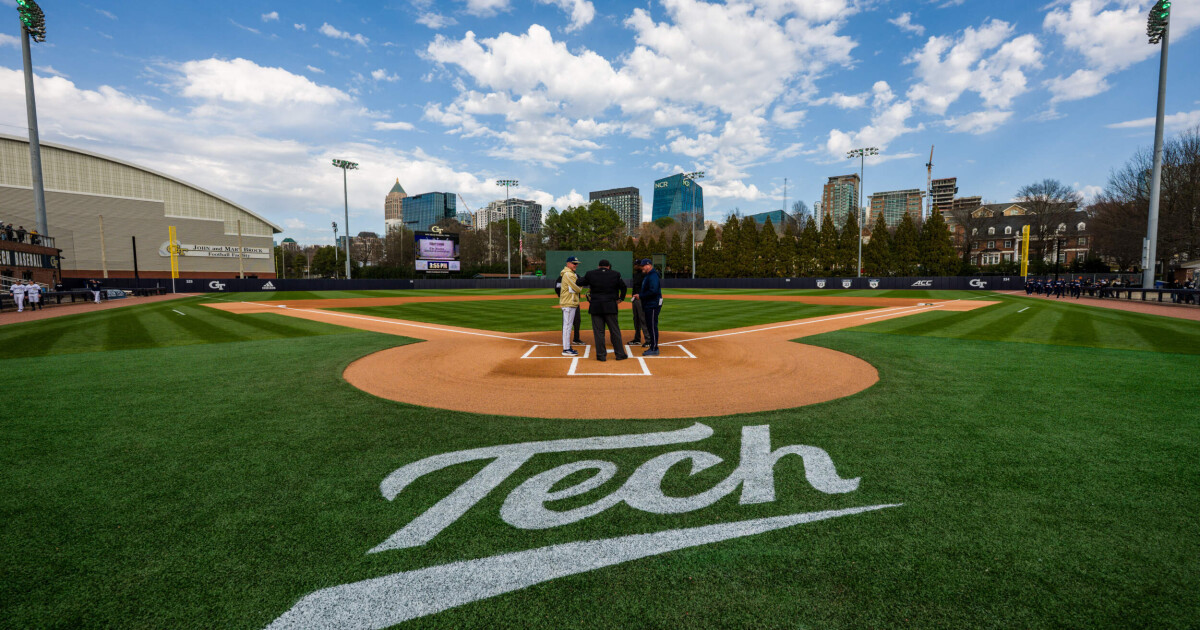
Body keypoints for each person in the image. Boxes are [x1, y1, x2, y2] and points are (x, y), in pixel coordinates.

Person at [576, 259, 627, 362]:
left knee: (599, 332)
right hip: (611, 306)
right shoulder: (615, 274)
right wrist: (621, 298)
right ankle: (620, 354)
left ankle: (601, 356)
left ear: (599, 266)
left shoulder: (590, 274)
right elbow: (624, 287)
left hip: (596, 307)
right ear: (608, 266)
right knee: (615, 331)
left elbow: (579, 282)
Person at [635, 258, 663, 356]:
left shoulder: (653, 275)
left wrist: (640, 295)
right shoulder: (649, 275)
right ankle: (653, 346)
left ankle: (654, 348)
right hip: (650, 304)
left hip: (653, 304)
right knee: (650, 326)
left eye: (644, 266)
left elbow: (653, 291)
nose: (642, 267)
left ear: (649, 265)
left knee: (652, 326)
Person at [556, 256, 584, 356]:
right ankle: (566, 349)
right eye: (574, 263)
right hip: (568, 303)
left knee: (568, 326)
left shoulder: (571, 274)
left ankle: (567, 347)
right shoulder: (568, 274)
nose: (576, 265)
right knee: (567, 326)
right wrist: (581, 286)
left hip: (571, 302)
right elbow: (578, 289)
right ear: (568, 264)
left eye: (576, 264)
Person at [629, 262, 647, 346]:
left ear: (640, 265)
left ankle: (648, 340)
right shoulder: (635, 275)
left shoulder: (645, 275)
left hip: (641, 299)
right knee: (636, 320)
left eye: (637, 265)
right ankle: (637, 339)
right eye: (635, 264)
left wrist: (642, 296)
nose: (635, 266)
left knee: (643, 319)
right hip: (635, 299)